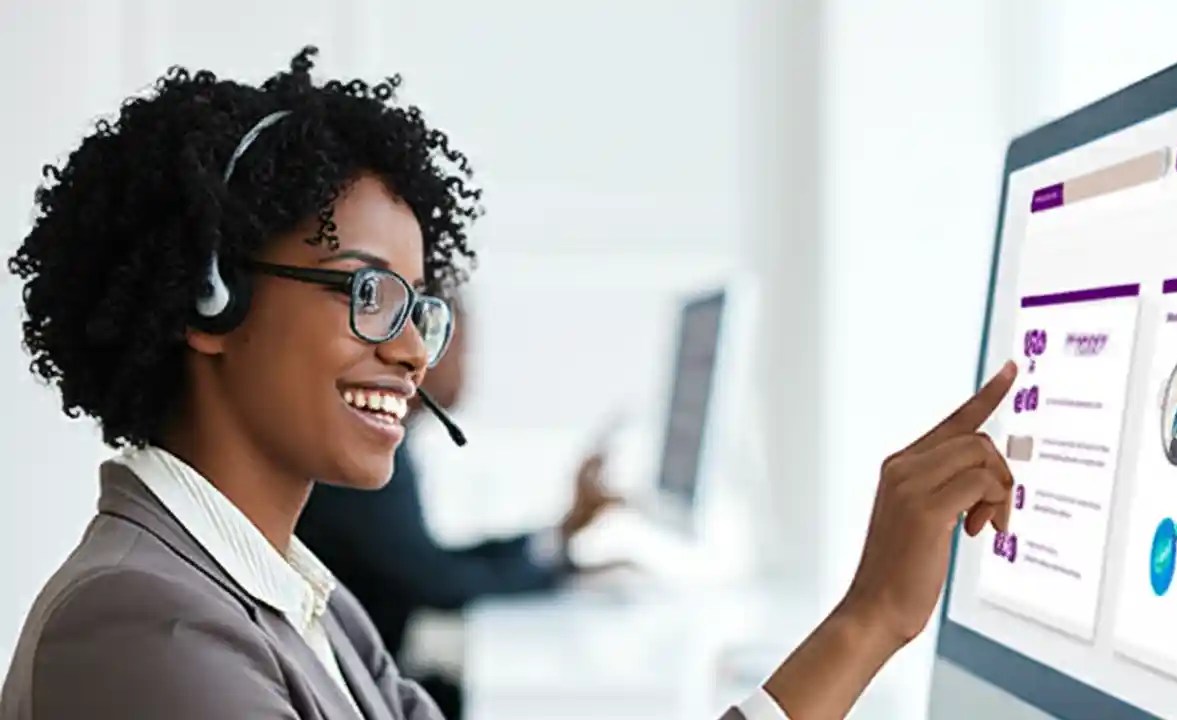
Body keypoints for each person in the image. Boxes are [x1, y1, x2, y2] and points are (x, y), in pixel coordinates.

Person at [0, 47, 1017, 720]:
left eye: (418, 308)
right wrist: (865, 621)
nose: (412, 353)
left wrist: (865, 623)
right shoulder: (142, 628)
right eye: (368, 295)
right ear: (206, 302)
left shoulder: (296, 597)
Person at [296, 303, 618, 718]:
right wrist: (552, 564)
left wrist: (560, 536)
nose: (468, 367)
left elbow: (429, 560)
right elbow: (434, 580)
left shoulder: (392, 441)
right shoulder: (362, 454)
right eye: (457, 348)